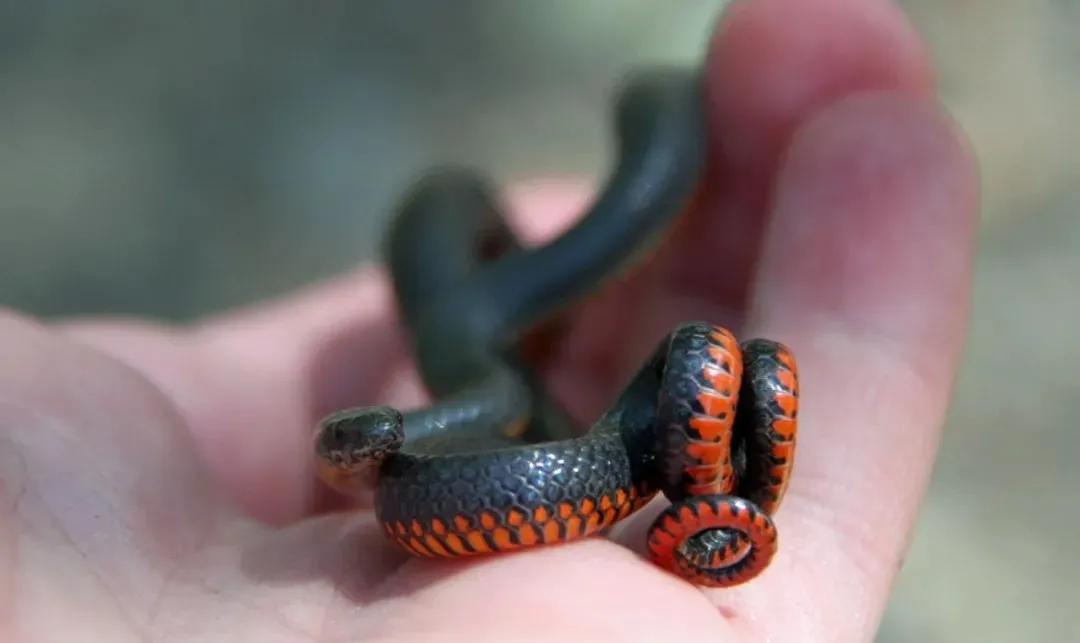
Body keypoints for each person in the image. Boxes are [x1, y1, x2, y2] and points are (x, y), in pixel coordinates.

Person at [0, 0, 976, 640]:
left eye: (366, 443)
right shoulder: (417, 461)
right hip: (543, 424)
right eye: (354, 447)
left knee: (638, 304)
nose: (365, 451)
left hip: (557, 409)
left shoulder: (446, 416)